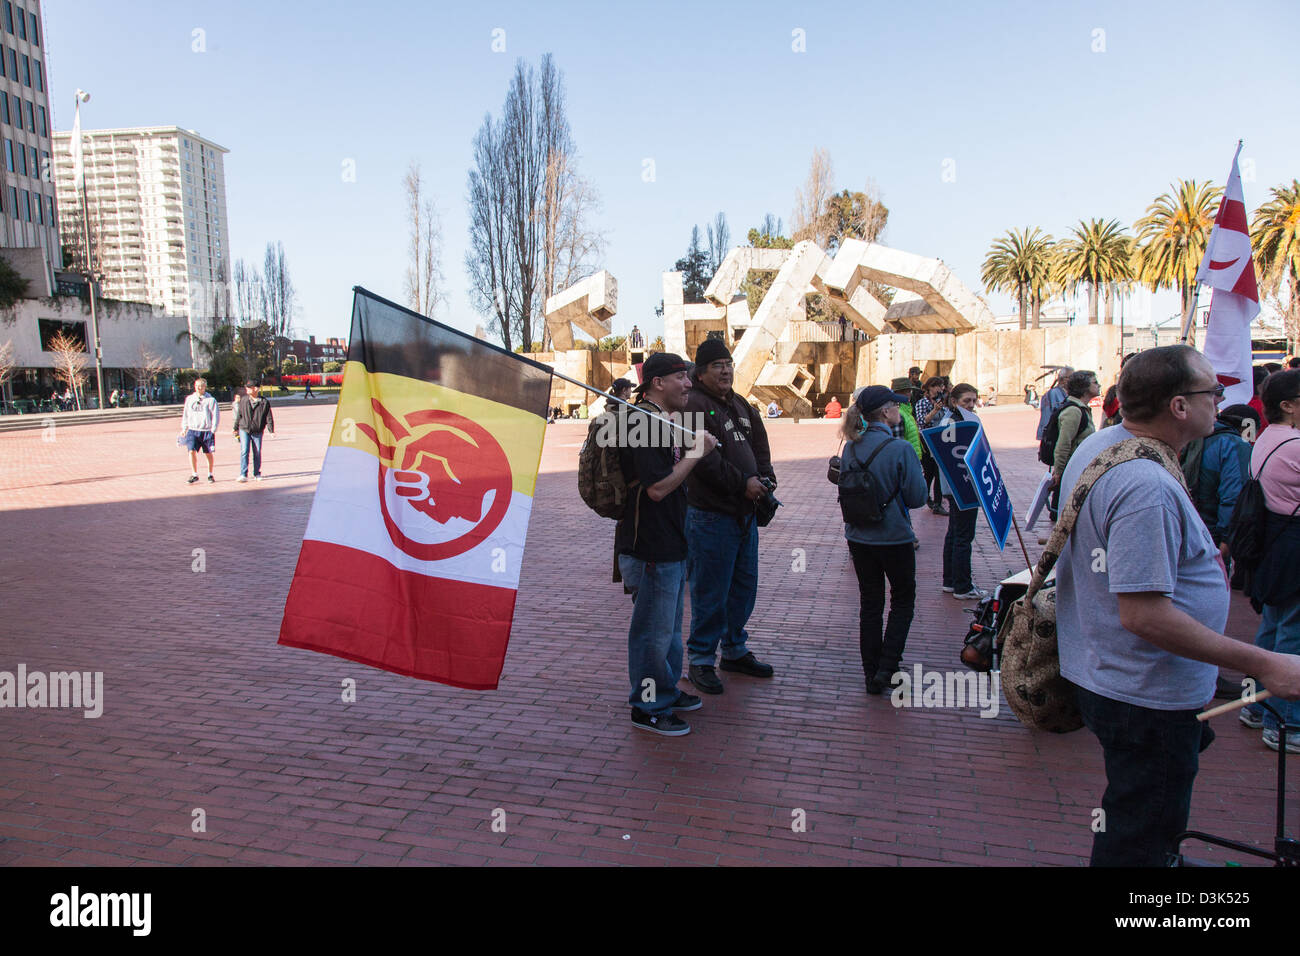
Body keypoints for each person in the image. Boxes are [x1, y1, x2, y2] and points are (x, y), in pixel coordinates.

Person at [1055, 345, 1300, 866]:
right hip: (1144, 695)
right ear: (1179, 407)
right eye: (1213, 391)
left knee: (1134, 822)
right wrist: (1266, 664)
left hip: (1119, 679)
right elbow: (1143, 614)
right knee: (1141, 840)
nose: (1222, 399)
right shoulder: (1145, 484)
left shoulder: (1113, 448)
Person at [616, 353, 717, 735]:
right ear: (658, 382)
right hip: (650, 545)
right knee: (652, 633)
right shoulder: (640, 423)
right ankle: (647, 706)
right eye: (681, 377)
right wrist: (694, 454)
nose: (690, 384)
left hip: (672, 541)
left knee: (669, 630)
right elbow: (657, 488)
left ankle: (666, 688)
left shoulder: (661, 421)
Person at [682, 339, 777, 695]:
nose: (725, 370)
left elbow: (760, 445)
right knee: (710, 591)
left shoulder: (739, 404)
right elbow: (703, 461)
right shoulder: (692, 405)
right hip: (710, 517)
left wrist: (764, 477)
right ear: (701, 372)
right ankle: (702, 660)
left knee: (743, 587)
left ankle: (734, 649)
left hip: (744, 515)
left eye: (728, 363)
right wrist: (743, 483)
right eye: (717, 365)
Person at [839, 386, 928, 693]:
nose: (898, 411)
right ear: (885, 411)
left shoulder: (850, 446)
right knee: (902, 600)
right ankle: (888, 666)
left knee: (870, 603)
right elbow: (918, 498)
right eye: (894, 405)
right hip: (894, 537)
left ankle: (870, 671)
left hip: (859, 536)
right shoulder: (900, 448)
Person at [1242, 369, 1300, 753]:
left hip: (1275, 543)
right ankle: (1286, 722)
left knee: (1275, 624)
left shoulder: (1267, 438)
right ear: (1287, 405)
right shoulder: (1294, 443)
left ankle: (1257, 706)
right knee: (1292, 631)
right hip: (1293, 543)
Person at [935, 383, 987, 600]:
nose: (971, 405)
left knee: (955, 532)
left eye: (974, 401)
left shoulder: (949, 419)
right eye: (967, 401)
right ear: (954, 401)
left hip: (953, 486)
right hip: (963, 486)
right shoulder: (957, 422)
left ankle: (950, 581)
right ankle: (962, 586)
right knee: (963, 535)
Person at [1048, 370, 1099, 522]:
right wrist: (1059, 472)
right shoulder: (1074, 411)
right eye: (1095, 382)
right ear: (1084, 387)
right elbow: (1063, 444)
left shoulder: (1081, 408)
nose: (1098, 385)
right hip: (1072, 471)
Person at [914, 376, 948, 514]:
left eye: (941, 386)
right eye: (937, 386)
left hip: (939, 440)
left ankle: (938, 503)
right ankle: (925, 496)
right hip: (926, 441)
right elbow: (922, 421)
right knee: (929, 472)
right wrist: (934, 410)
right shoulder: (922, 403)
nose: (940, 389)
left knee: (939, 472)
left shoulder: (942, 402)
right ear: (930, 388)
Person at [233, 381, 276, 482]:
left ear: (256, 389)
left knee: (257, 452)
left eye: (249, 387)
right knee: (244, 450)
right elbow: (239, 414)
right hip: (244, 429)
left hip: (257, 430)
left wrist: (271, 430)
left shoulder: (264, 402)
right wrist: (235, 428)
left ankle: (257, 473)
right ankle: (243, 474)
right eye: (246, 387)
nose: (247, 389)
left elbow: (269, 417)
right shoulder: (244, 400)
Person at [180, 377, 220, 484]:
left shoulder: (211, 400)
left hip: (206, 430)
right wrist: (184, 428)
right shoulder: (189, 399)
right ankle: (194, 474)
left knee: (208, 453)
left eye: (201, 386)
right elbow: (186, 414)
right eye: (197, 386)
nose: (199, 388)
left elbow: (215, 414)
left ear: (205, 387)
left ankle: (210, 474)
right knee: (191, 450)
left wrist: (213, 428)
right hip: (193, 430)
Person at [1036, 367, 1072, 441]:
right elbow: (1050, 416)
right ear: (1064, 379)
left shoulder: (1068, 393)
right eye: (1072, 377)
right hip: (1053, 435)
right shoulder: (1054, 394)